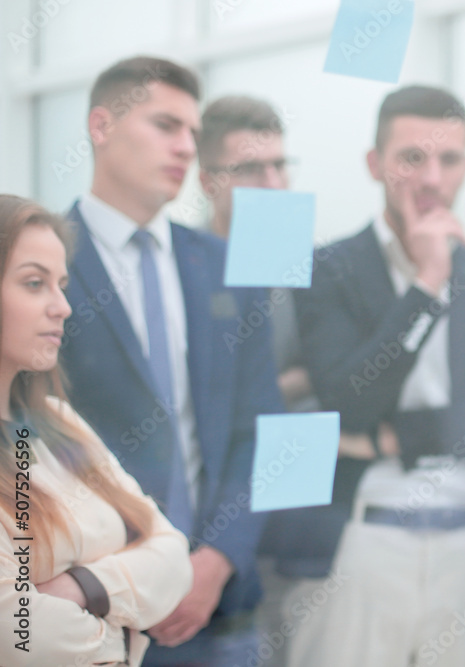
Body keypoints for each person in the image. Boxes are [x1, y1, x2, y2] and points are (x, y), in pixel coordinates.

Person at [281, 85, 465, 667]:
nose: (432, 178)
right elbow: (348, 401)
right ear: (375, 164)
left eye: (448, 160)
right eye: (411, 159)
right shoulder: (329, 268)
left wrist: (397, 437)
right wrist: (427, 286)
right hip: (357, 543)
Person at [58, 56, 284, 666]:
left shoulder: (222, 266)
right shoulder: (43, 262)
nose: (186, 146)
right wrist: (115, 578)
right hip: (87, 604)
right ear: (101, 126)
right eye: (166, 125)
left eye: (192, 131)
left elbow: (259, 431)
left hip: (219, 602)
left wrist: (215, 562)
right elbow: (24, 439)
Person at [0, 195, 193, 666]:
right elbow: (15, 638)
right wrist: (122, 640)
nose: (62, 307)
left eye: (62, 285)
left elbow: (171, 553)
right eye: (34, 283)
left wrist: (81, 587)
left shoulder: (57, 419)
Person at [197, 94, 316, 413]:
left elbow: (332, 367)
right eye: (250, 169)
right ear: (208, 183)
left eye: (279, 165)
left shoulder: (309, 264)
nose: (273, 184)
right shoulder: (183, 267)